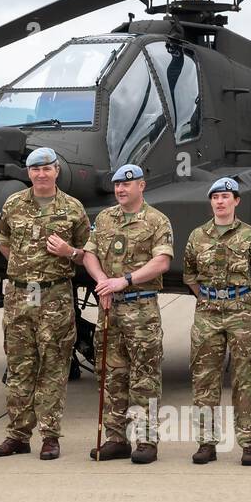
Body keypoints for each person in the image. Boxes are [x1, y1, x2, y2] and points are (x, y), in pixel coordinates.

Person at [0, 147, 90, 461]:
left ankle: (50, 436)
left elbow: (86, 253)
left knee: (54, 367)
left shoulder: (72, 208)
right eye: (35, 169)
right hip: (20, 297)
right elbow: (4, 242)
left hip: (55, 297)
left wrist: (68, 252)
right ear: (29, 173)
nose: (41, 174)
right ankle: (17, 436)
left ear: (56, 171)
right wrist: (25, 268)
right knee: (19, 367)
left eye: (47, 168)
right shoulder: (13, 205)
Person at [80, 164, 173, 464]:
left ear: (141, 186)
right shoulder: (105, 218)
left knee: (145, 376)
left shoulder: (156, 220)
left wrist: (125, 280)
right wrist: (102, 282)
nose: (120, 189)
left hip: (141, 308)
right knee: (110, 375)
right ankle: (116, 439)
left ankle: (146, 440)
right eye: (117, 185)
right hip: (110, 309)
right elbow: (89, 254)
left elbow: (162, 262)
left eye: (126, 185)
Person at [183, 177, 251, 466]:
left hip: (241, 312)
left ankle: (248, 442)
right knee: (204, 379)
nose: (220, 201)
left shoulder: (250, 235)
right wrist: (209, 297)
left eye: (225, 197)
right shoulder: (198, 236)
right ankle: (206, 443)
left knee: (245, 379)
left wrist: (242, 298)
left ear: (236, 201)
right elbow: (190, 275)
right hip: (207, 313)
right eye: (215, 197)